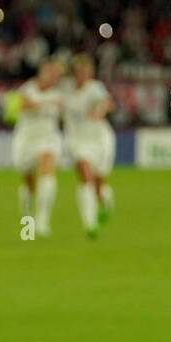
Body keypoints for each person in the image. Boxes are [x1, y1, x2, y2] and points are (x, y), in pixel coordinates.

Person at [64, 54, 116, 237]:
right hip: (77, 141)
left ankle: (106, 200)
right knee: (85, 175)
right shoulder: (66, 89)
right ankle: (90, 223)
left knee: (99, 182)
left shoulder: (95, 88)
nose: (82, 75)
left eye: (85, 72)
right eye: (78, 72)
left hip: (99, 138)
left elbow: (107, 102)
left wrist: (99, 110)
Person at [12, 58, 65, 237]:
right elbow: (23, 104)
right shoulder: (29, 88)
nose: (52, 77)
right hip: (26, 138)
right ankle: (27, 216)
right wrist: (45, 103)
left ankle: (43, 221)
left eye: (55, 74)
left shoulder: (60, 94)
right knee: (28, 180)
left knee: (47, 170)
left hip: (48, 138)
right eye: (49, 72)